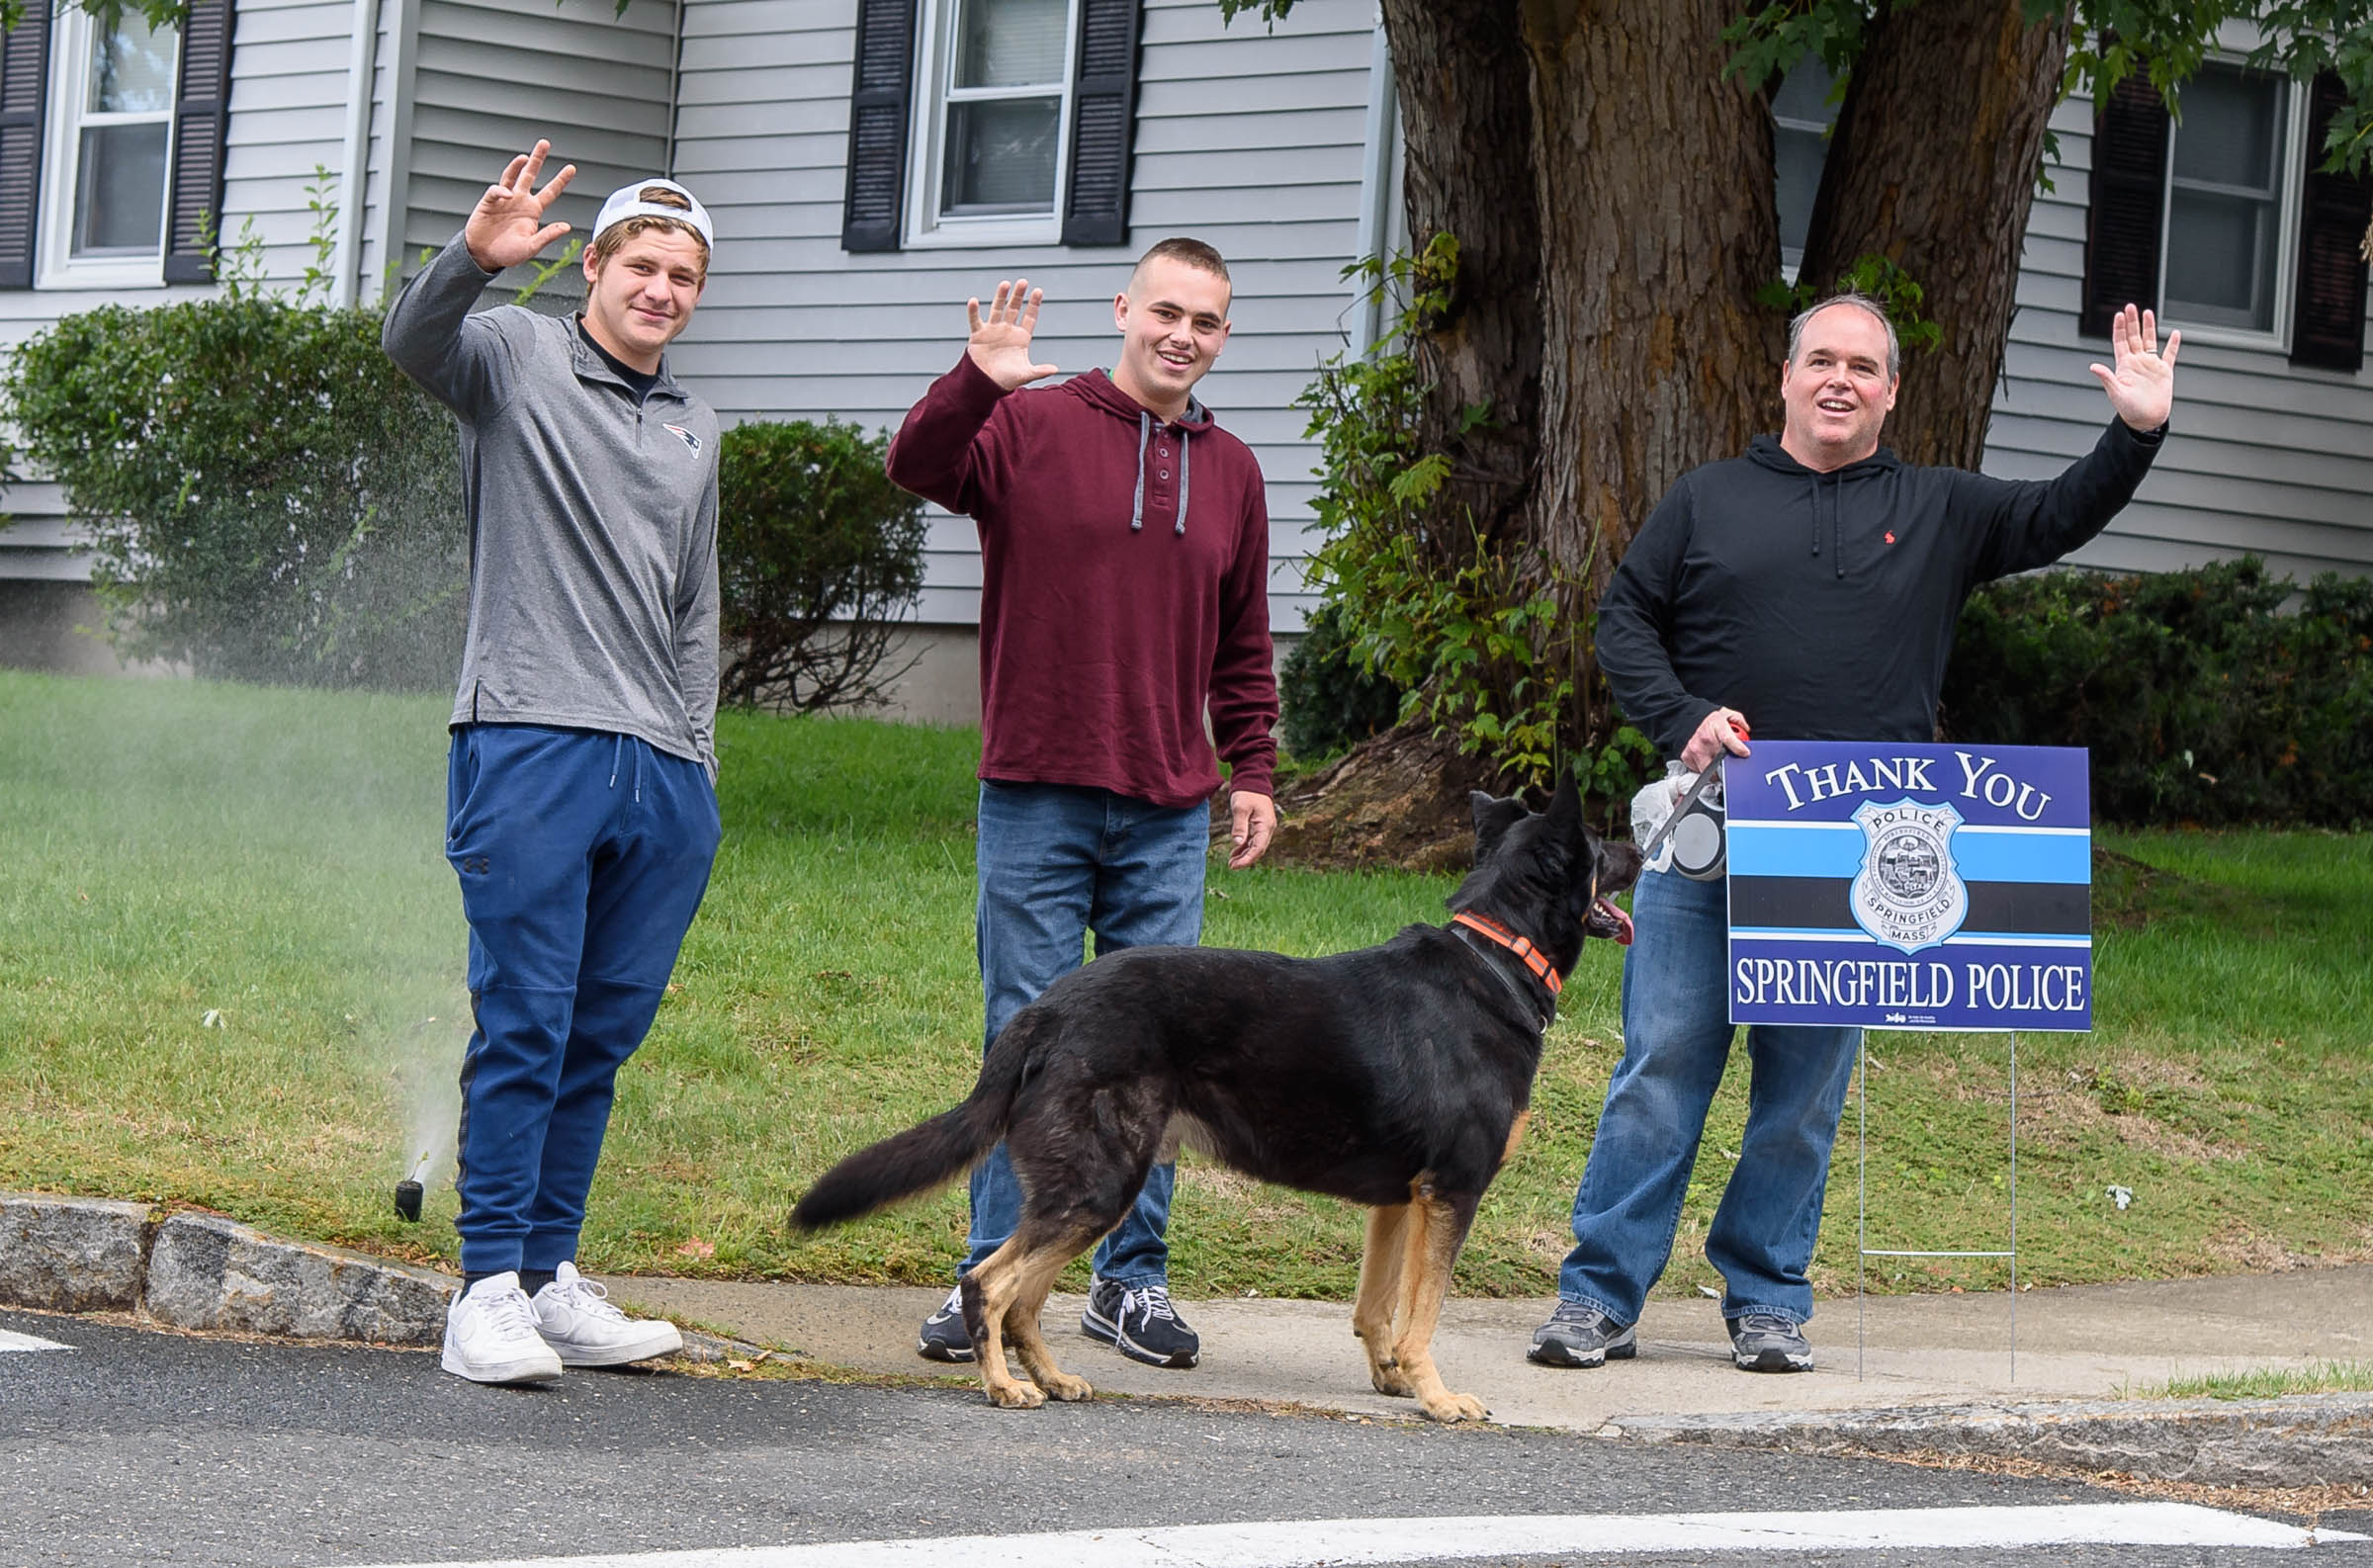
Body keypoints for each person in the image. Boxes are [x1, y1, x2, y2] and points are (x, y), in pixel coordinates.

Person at [1531, 295, 2179, 1374]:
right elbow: (1623, 619)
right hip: (1713, 837)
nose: (1840, 380)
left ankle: (1768, 1295)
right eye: (1821, 360)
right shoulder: (1706, 500)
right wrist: (1681, 715)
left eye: (1864, 367)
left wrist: (2137, 431)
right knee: (1660, 1070)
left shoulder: (1939, 507)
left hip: (1851, 857)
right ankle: (1598, 1296)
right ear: (1784, 377)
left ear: (1889, 391)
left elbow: (2062, 512)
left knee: (1801, 1098)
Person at [884, 241, 1280, 1371]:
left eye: (1206, 321)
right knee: (1029, 1036)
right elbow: (915, 463)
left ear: (1220, 338)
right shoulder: (1029, 424)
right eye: (1166, 310)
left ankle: (1129, 1280)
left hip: (1166, 805)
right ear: (1124, 308)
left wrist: (1250, 767)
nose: (1182, 335)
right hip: (1037, 790)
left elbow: (1245, 643)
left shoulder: (1236, 468)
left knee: (1159, 1051)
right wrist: (978, 379)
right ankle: (986, 1277)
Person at [384, 140, 724, 1384]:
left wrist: (698, 766)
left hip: (659, 771)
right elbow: (414, 343)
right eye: (643, 265)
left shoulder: (696, 424)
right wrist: (474, 258)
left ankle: (548, 1271)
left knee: (599, 1032)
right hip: (528, 736)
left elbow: (695, 607)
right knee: (525, 1017)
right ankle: (483, 1292)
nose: (663, 290)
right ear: (595, 264)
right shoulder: (516, 359)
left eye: (684, 276)